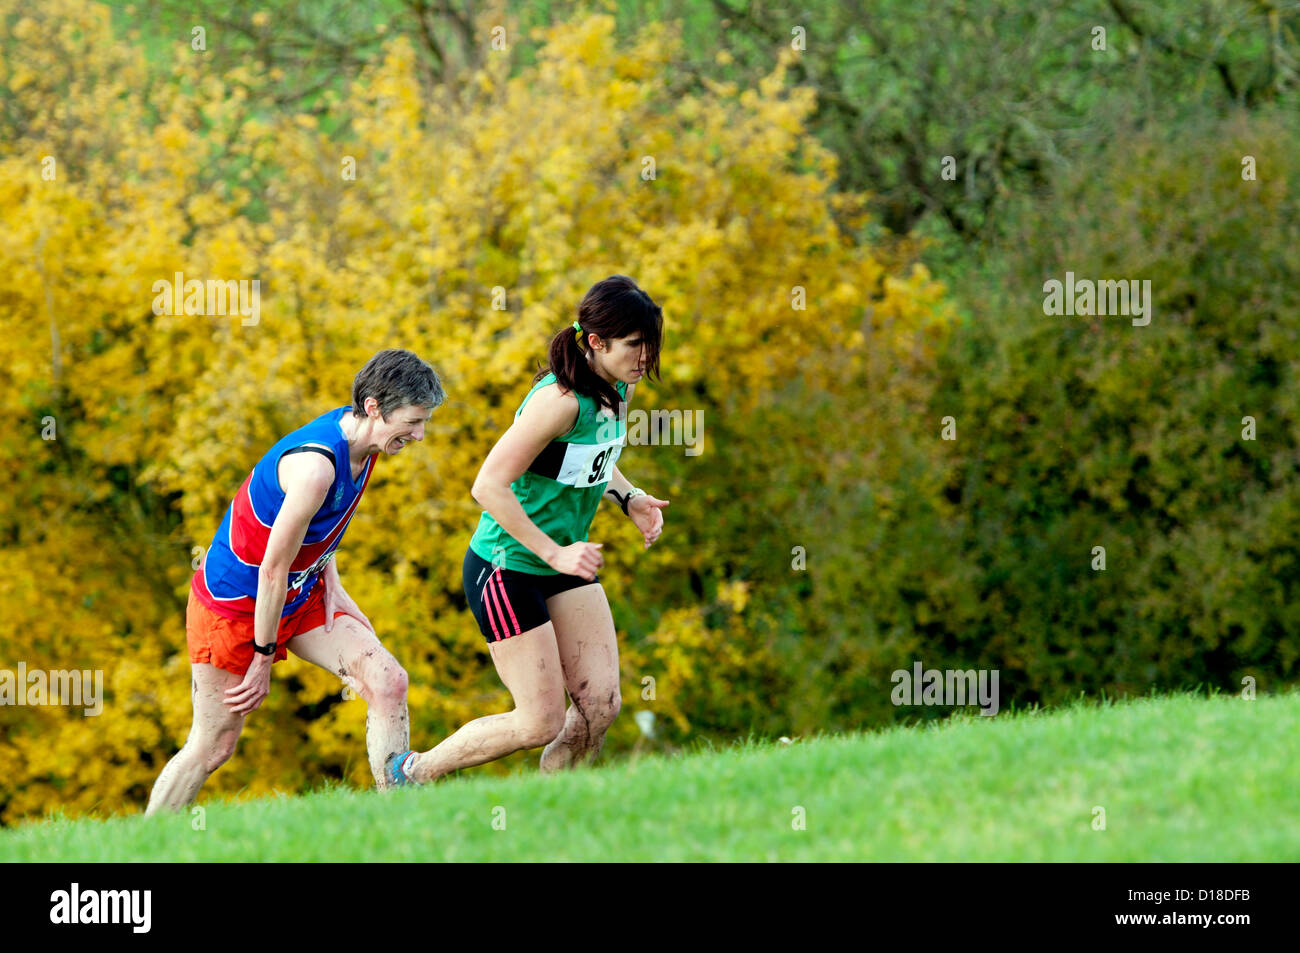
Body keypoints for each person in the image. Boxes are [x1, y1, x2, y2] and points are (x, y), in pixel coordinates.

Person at [387, 275, 668, 785]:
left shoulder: (619, 384)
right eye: (634, 345)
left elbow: (587, 458)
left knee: (600, 706)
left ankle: (556, 805)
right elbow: (487, 485)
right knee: (538, 720)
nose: (645, 356)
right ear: (597, 343)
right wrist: (554, 554)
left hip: (563, 560)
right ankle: (413, 771)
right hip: (507, 565)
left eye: (650, 345)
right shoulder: (558, 401)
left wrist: (630, 498)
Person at [145, 348, 445, 812]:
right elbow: (271, 568)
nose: (420, 434)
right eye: (413, 421)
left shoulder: (367, 444)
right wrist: (262, 659)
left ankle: (398, 819)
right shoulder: (315, 467)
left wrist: (334, 586)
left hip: (298, 594)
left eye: (424, 422)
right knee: (213, 746)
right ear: (373, 407)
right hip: (237, 606)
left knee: (388, 681)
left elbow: (324, 527)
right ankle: (145, 846)